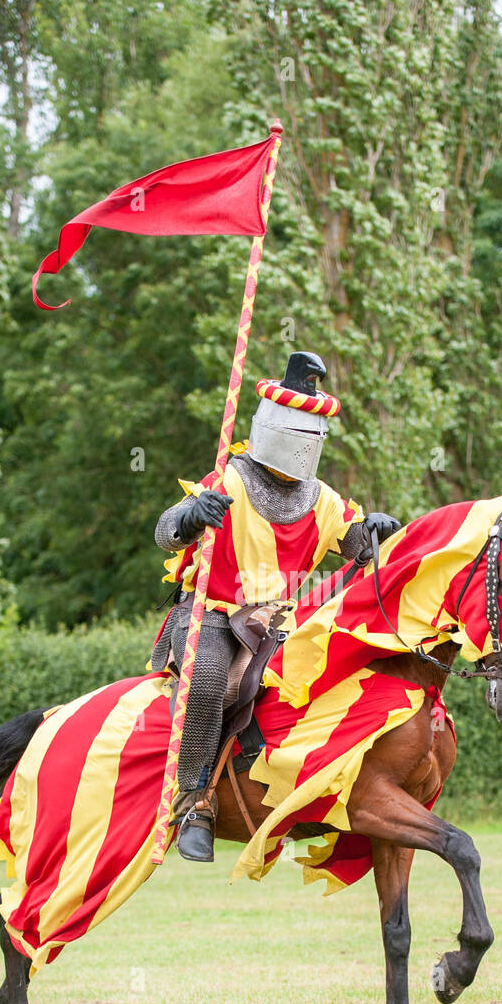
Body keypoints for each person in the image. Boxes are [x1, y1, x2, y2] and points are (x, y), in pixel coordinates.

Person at [152, 351, 402, 861]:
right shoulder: (229, 482)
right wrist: (193, 516)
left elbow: (358, 547)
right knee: (209, 680)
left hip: (280, 622)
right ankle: (194, 800)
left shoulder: (324, 499)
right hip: (214, 613)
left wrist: (375, 528)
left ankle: (323, 797)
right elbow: (164, 534)